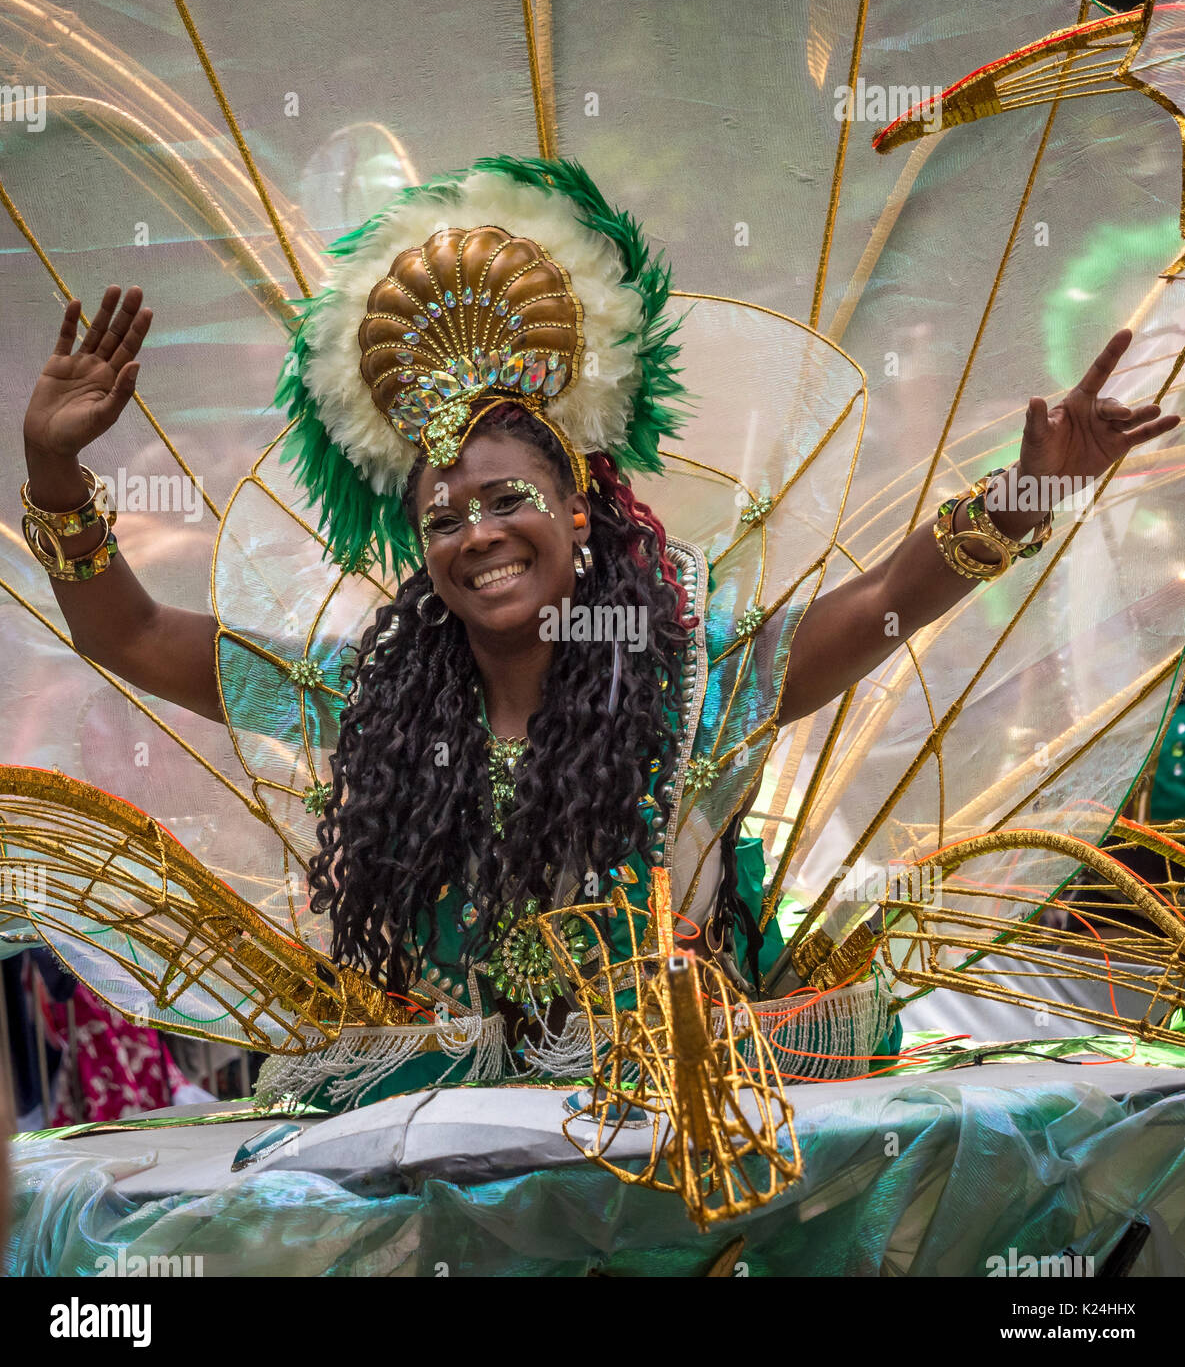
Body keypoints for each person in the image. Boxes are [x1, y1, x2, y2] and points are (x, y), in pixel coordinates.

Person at [17, 156, 1181, 1101]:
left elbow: (886, 601)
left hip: (683, 1135)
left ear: (581, 509)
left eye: (508, 500)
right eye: (443, 516)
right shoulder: (364, 699)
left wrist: (1031, 490)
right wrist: (56, 470)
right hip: (446, 1149)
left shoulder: (699, 678)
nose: (477, 534)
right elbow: (129, 634)